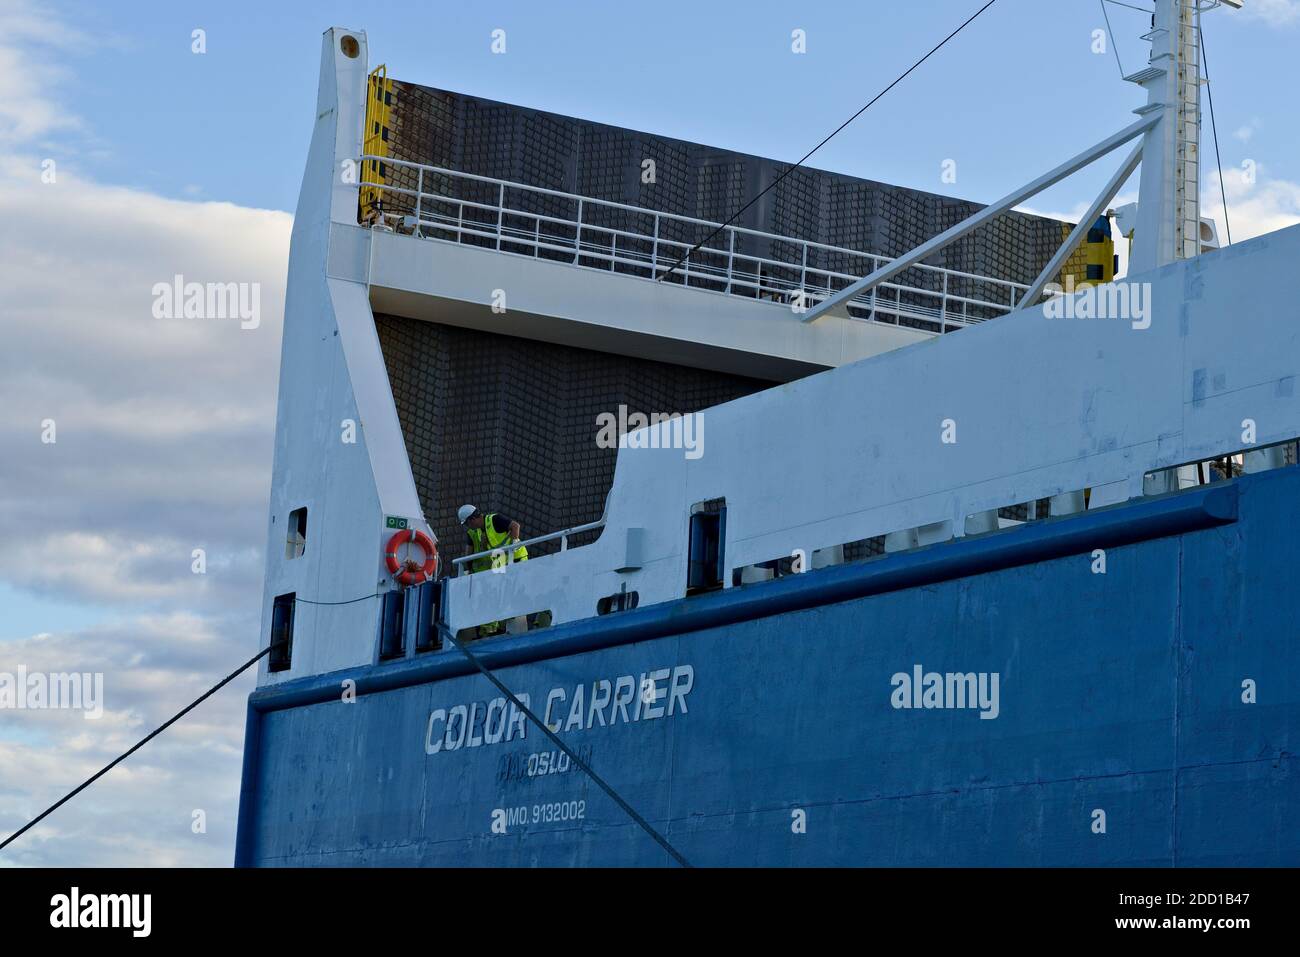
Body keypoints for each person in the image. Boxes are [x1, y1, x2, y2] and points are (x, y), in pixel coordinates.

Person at [458, 505, 528, 638]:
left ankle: (506, 620)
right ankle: (496, 625)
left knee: (511, 589)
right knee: (496, 589)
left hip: (516, 557)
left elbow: (515, 526)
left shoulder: (494, 519)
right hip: (499, 557)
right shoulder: (480, 530)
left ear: (472, 519)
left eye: (467, 523)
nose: (468, 527)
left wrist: (513, 545)